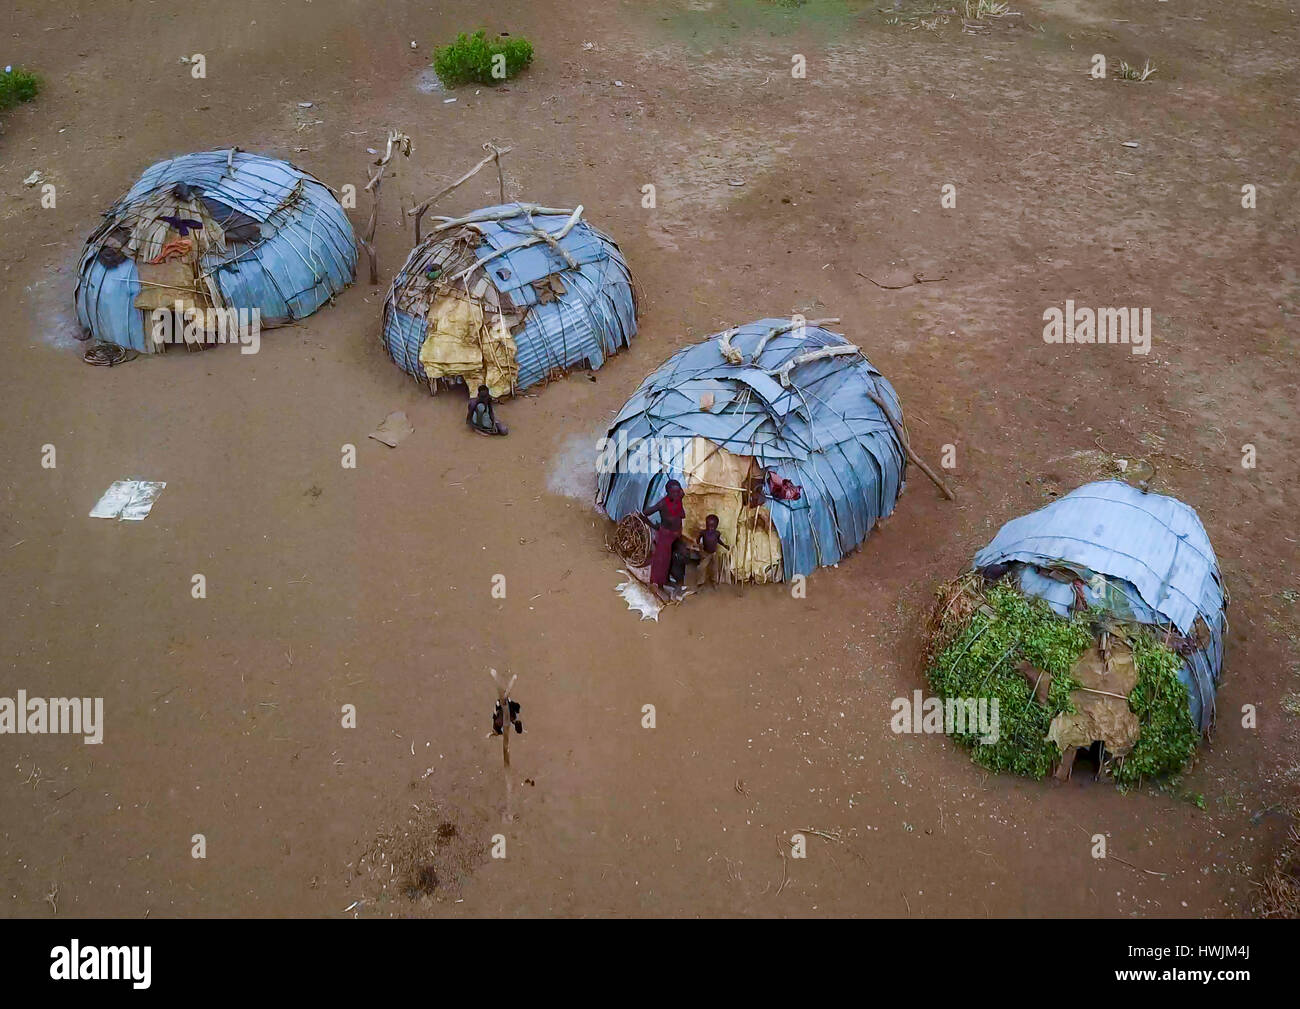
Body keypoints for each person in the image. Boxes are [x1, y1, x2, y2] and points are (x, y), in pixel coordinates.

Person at [641, 479, 685, 591]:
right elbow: (645, 513)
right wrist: (653, 525)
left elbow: (682, 493)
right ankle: (659, 584)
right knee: (662, 561)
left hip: (676, 534)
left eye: (678, 491)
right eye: (673, 492)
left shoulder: (679, 497)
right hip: (665, 535)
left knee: (672, 558)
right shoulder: (662, 504)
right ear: (667, 492)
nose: (676, 494)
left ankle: (667, 580)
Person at [694, 513, 730, 589]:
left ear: (716, 526)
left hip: (714, 553)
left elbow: (718, 541)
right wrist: (698, 544)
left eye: (712, 527)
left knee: (714, 569)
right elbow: (698, 539)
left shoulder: (717, 533)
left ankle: (714, 581)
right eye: (708, 526)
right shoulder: (703, 532)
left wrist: (725, 545)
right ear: (706, 524)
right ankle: (701, 582)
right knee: (702, 568)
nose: (710, 528)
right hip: (705, 553)